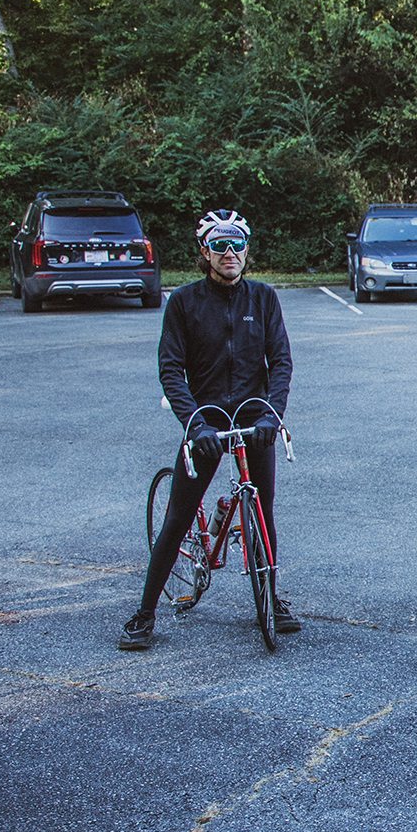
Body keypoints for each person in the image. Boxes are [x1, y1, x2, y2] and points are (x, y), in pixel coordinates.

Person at [120, 210, 296, 650]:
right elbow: (171, 369)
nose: (229, 252)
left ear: (247, 250)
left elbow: (281, 363)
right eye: (219, 245)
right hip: (207, 422)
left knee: (264, 511)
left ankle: (271, 598)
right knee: (179, 517)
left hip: (254, 418)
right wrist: (194, 421)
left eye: (237, 243)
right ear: (205, 252)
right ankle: (145, 613)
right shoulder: (184, 302)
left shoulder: (263, 298)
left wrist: (271, 416)